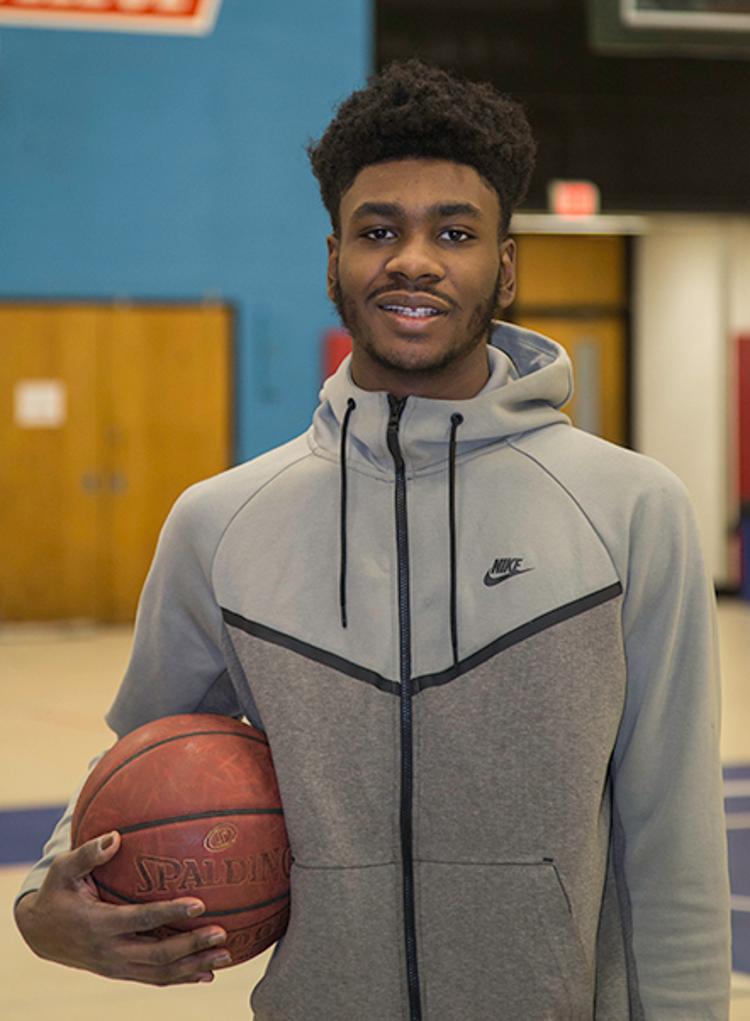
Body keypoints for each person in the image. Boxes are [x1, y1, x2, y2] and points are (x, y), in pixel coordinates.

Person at [15, 59, 730, 1019]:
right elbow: (137, 757)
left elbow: (674, 840)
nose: (414, 259)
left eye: (457, 232)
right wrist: (43, 904)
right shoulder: (220, 523)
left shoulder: (631, 511)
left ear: (505, 267)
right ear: (333, 259)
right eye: (379, 229)